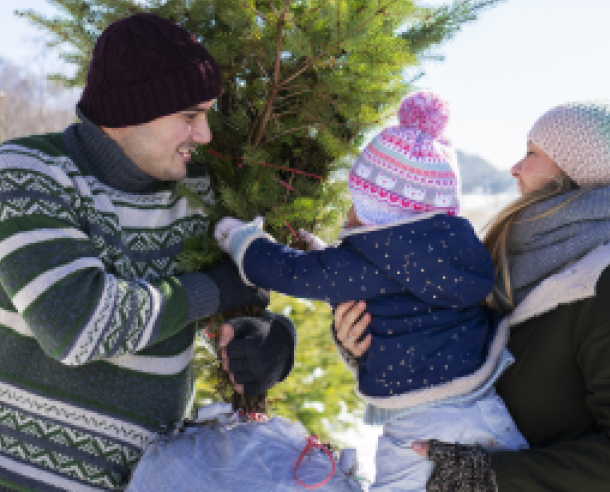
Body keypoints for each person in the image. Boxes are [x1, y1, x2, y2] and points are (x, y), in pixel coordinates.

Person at [0, 13, 298, 492]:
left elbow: (234, 310)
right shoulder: (22, 173)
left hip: (153, 479)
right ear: (131, 112)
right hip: (27, 481)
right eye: (189, 116)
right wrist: (219, 286)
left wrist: (269, 339)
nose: (205, 135)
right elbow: (77, 326)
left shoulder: (194, 192)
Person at [335, 99, 610, 491]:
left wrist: (492, 476)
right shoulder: (514, 264)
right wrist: (367, 344)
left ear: (578, 171)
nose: (515, 168)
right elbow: (462, 364)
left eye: (531, 153)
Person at [214, 91, 527, 492]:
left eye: (356, 201)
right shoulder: (455, 251)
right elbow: (392, 285)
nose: (348, 213)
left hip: (418, 422)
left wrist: (244, 241)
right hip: (485, 405)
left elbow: (292, 272)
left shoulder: (365, 263)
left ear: (377, 209)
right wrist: (332, 260)